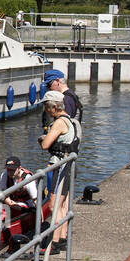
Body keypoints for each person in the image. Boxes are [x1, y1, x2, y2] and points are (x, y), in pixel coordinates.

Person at [39, 90, 82, 250]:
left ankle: (54, 242)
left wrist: (43, 138)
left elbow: (45, 145)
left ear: (54, 107)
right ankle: (62, 237)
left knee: (53, 205)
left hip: (60, 166)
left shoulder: (58, 123)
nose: (46, 111)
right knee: (62, 204)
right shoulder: (71, 121)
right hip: (70, 165)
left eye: (47, 107)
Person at [0, 154, 38, 227]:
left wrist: (39, 218)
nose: (10, 172)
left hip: (26, 204)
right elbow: (5, 196)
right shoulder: (4, 175)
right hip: (11, 202)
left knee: (17, 212)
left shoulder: (28, 179)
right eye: (8, 170)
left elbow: (36, 200)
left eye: (13, 170)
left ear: (19, 168)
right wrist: (13, 205)